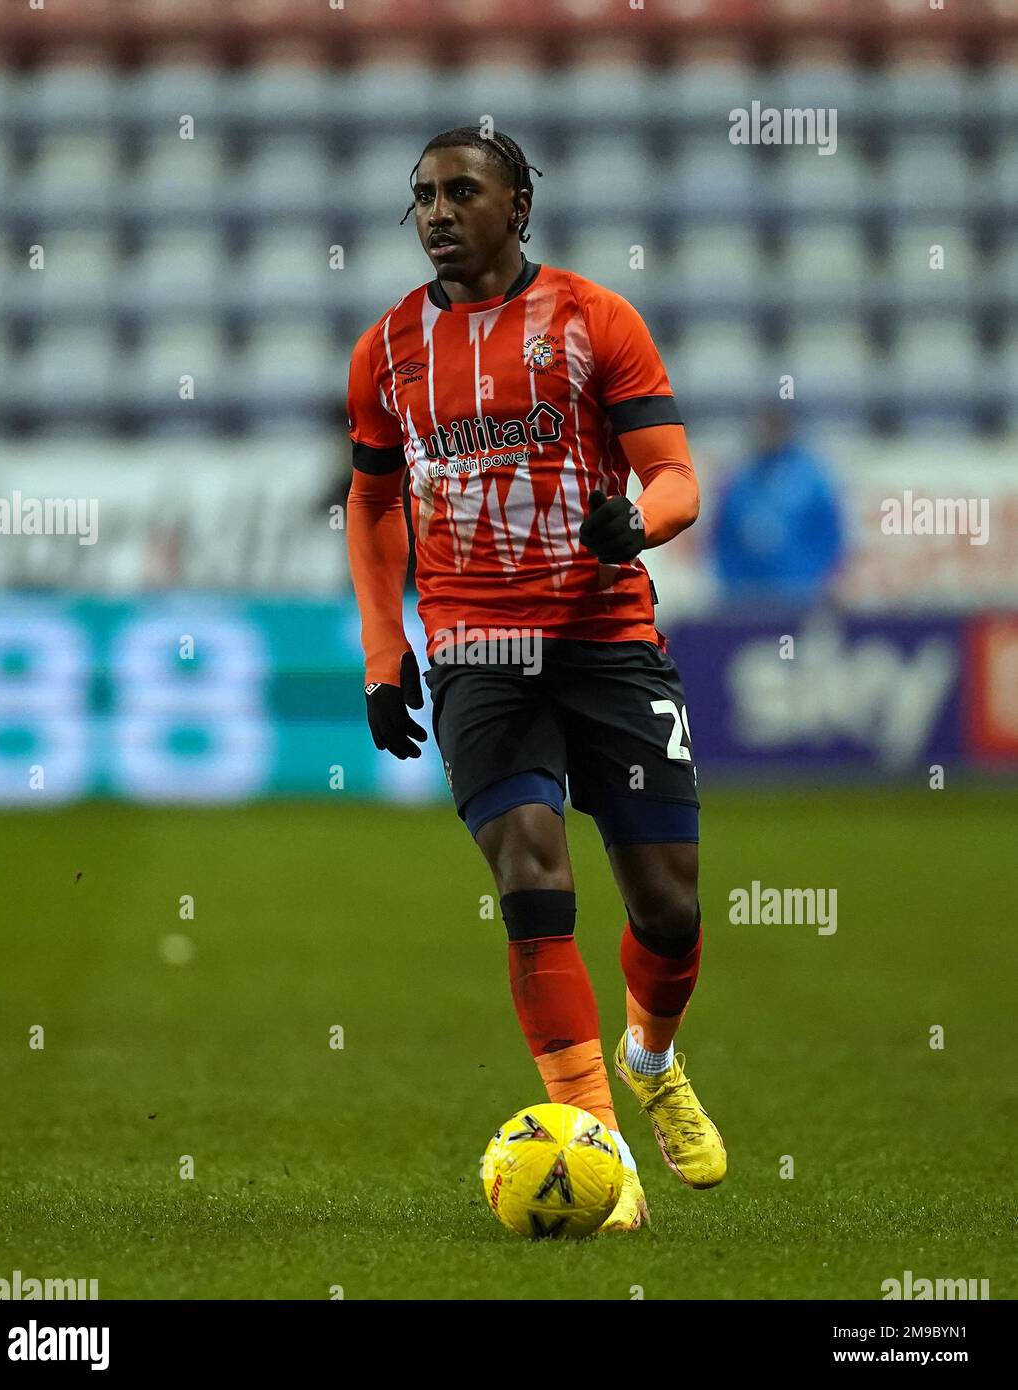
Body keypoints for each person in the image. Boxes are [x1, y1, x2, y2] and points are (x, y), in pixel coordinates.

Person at [345, 127, 725, 1233]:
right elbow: (370, 505)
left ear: (518, 206)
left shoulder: (596, 321)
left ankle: (650, 1055)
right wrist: (385, 652)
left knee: (668, 902)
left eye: (462, 191)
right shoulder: (386, 352)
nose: (435, 211)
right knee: (531, 870)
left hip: (605, 636)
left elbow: (675, 478)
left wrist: (635, 523)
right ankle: (598, 1154)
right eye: (420, 194)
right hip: (477, 649)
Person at [711, 409, 845, 607]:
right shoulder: (739, 477)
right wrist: (731, 584)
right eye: (764, 428)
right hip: (746, 595)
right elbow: (722, 536)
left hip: (801, 593)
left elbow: (830, 534)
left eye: (775, 427)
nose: (768, 434)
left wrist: (819, 581)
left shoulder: (812, 476)